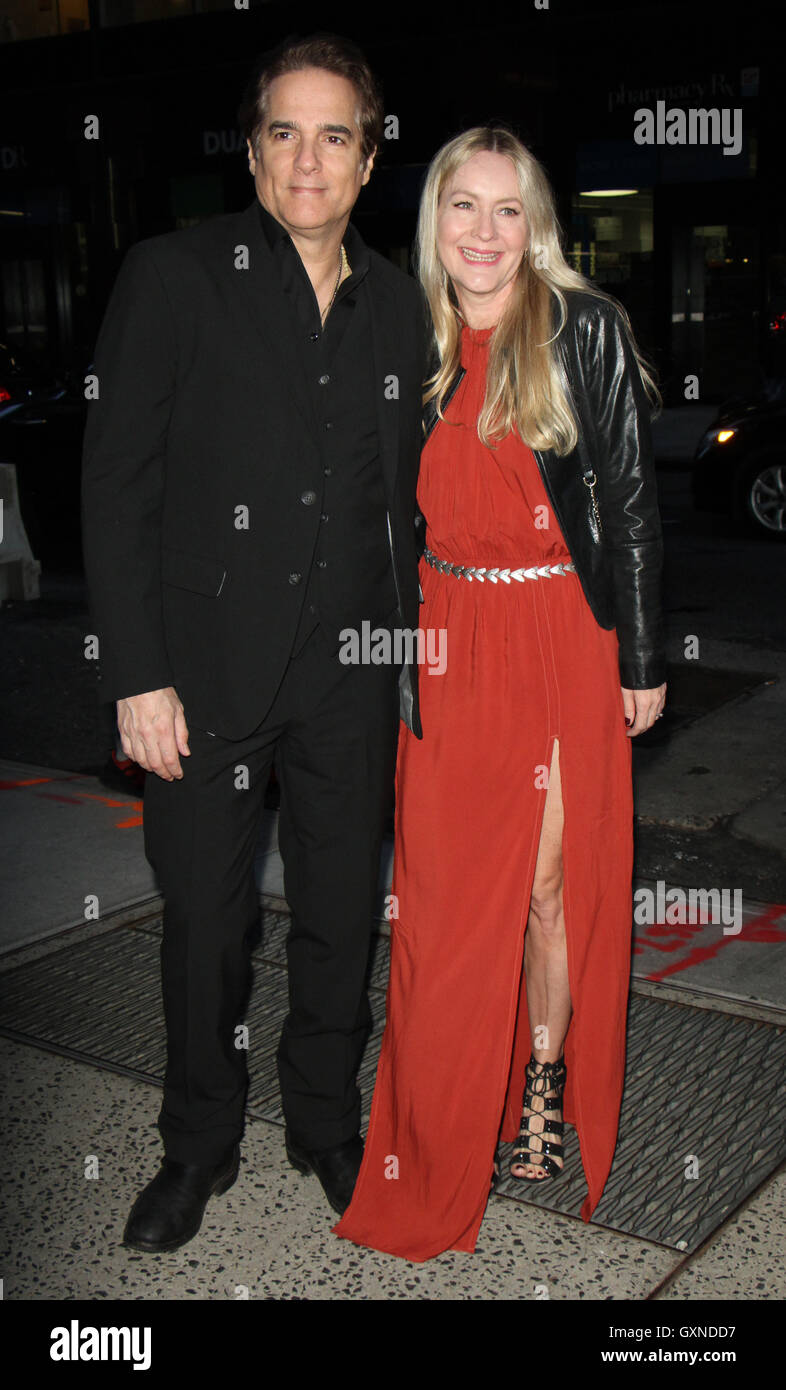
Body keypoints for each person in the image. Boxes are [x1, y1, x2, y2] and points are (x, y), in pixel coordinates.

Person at [81, 33, 428, 1253]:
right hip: (205, 679)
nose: (308, 158)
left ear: (371, 157)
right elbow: (116, 481)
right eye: (284, 130)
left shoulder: (403, 303)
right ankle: (198, 1144)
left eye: (336, 134)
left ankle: (325, 1124)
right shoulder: (176, 277)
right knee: (205, 927)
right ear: (253, 144)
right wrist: (135, 671)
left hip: (350, 679)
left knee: (341, 914)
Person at [333, 126, 667, 1262]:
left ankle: (538, 1077)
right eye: (461, 206)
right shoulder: (400, 332)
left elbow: (626, 500)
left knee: (542, 888)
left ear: (537, 225)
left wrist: (641, 661)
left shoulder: (584, 330)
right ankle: (432, 1127)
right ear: (433, 221)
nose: (483, 231)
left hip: (559, 633)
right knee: (438, 901)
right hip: (445, 633)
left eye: (507, 208)